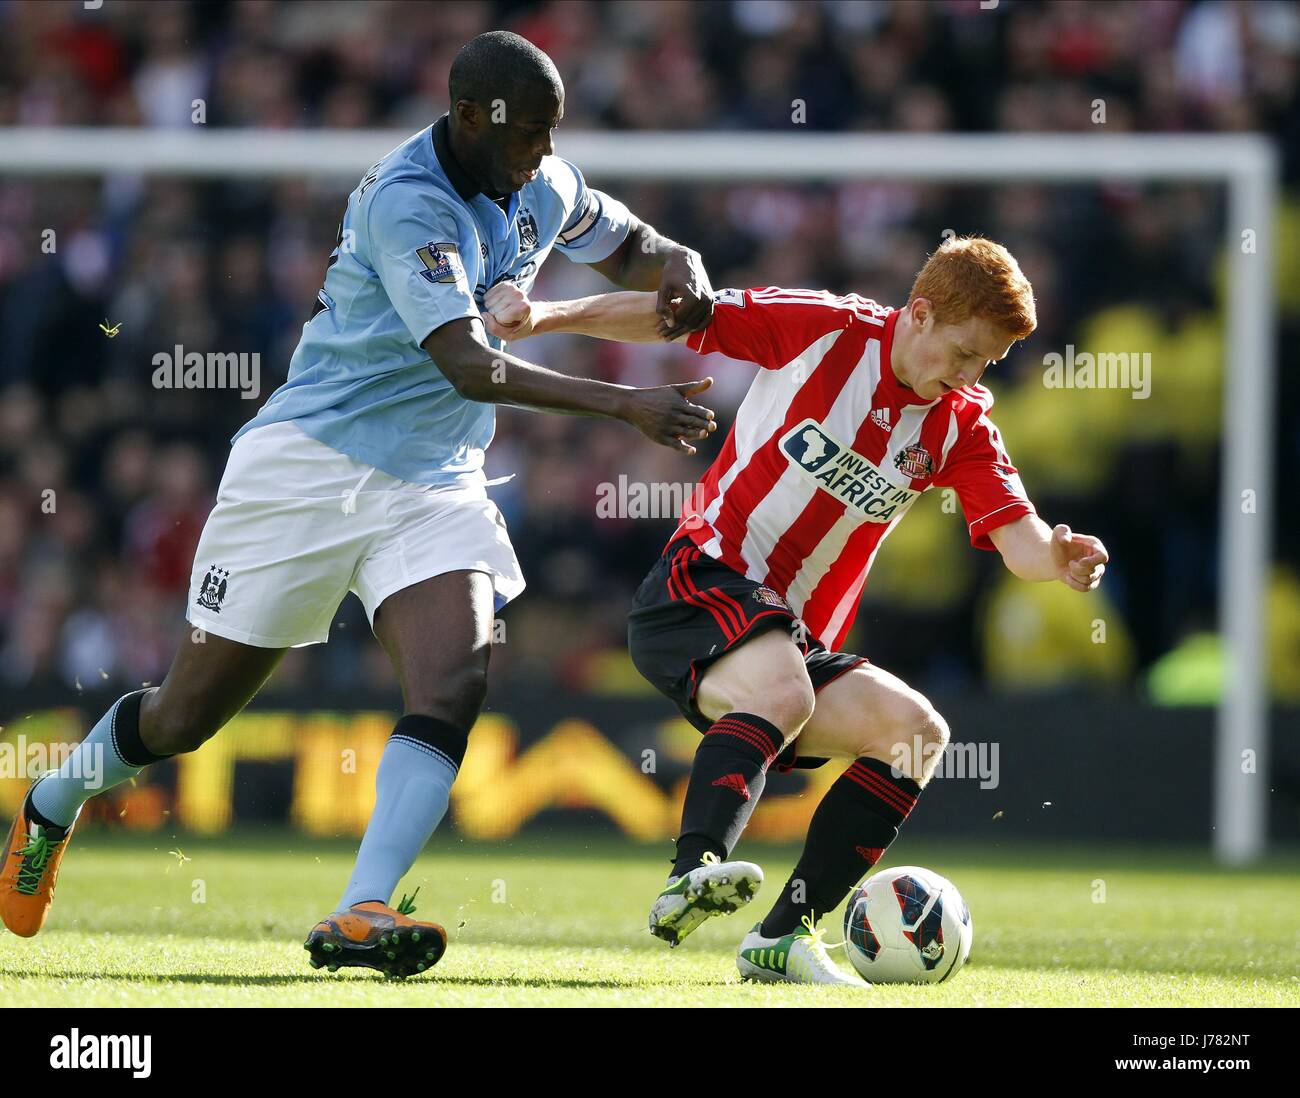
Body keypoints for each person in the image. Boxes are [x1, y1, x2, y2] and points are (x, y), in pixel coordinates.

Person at [0, 31, 719, 980]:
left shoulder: (540, 177)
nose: (542, 155)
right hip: (307, 469)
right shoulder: (405, 201)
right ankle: (52, 805)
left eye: (552, 134)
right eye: (527, 136)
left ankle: (360, 907)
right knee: (182, 720)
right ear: (469, 116)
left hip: (432, 482)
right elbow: (468, 363)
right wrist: (625, 403)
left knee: (455, 682)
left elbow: (627, 245)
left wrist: (681, 261)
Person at [481, 236, 1110, 985]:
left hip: (791, 642)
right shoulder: (826, 328)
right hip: (702, 579)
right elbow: (674, 315)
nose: (971, 376)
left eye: (987, 365)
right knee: (784, 687)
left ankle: (783, 938)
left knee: (915, 735)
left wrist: (1060, 558)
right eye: (965, 353)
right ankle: (694, 870)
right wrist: (546, 315)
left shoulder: (962, 425)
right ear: (920, 313)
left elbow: (1021, 541)